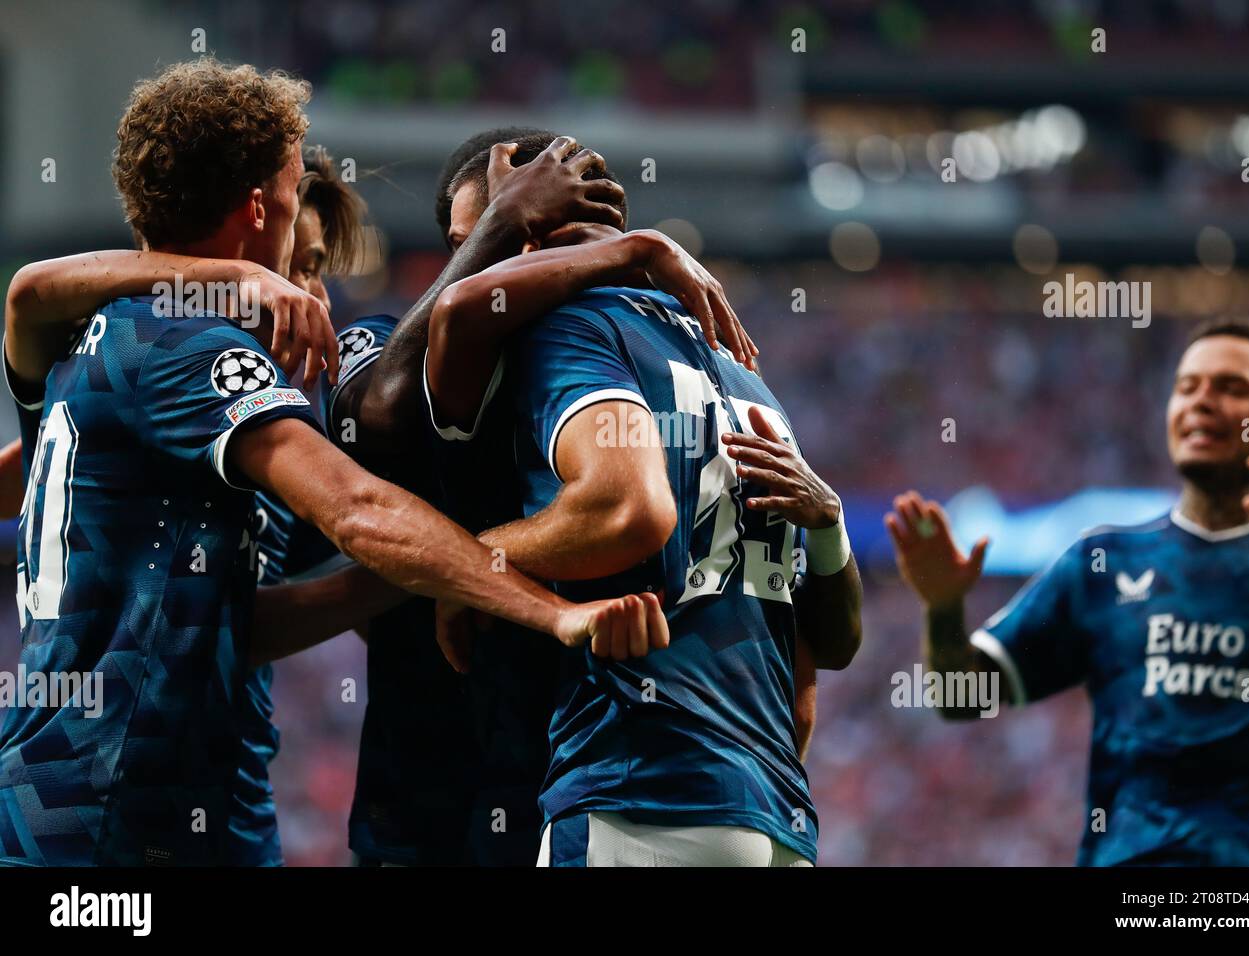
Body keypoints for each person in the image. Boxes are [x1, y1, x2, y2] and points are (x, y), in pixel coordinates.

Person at [0, 59, 663, 867]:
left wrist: (434, 565)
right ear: (260, 208)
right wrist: (545, 605)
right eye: (297, 256)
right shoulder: (186, 351)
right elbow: (359, 507)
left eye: (315, 271)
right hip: (113, 815)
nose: (306, 293)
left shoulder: (95, 346)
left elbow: (232, 618)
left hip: (184, 805)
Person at [426, 130, 863, 866]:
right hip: (774, 814)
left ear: (531, 230)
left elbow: (623, 512)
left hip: (644, 794)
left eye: (484, 241)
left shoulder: (575, 330)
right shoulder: (743, 379)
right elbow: (810, 676)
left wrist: (469, 564)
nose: (466, 270)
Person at [324, 128, 757, 866]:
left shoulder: (618, 381)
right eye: (487, 241)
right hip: (423, 784)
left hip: (567, 774)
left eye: (538, 239)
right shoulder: (384, 340)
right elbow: (378, 420)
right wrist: (624, 246)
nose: (513, 262)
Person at [887, 316, 1249, 866]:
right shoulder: (1103, 563)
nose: (1202, 402)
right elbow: (958, 697)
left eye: (1232, 388)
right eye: (1187, 387)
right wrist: (943, 608)